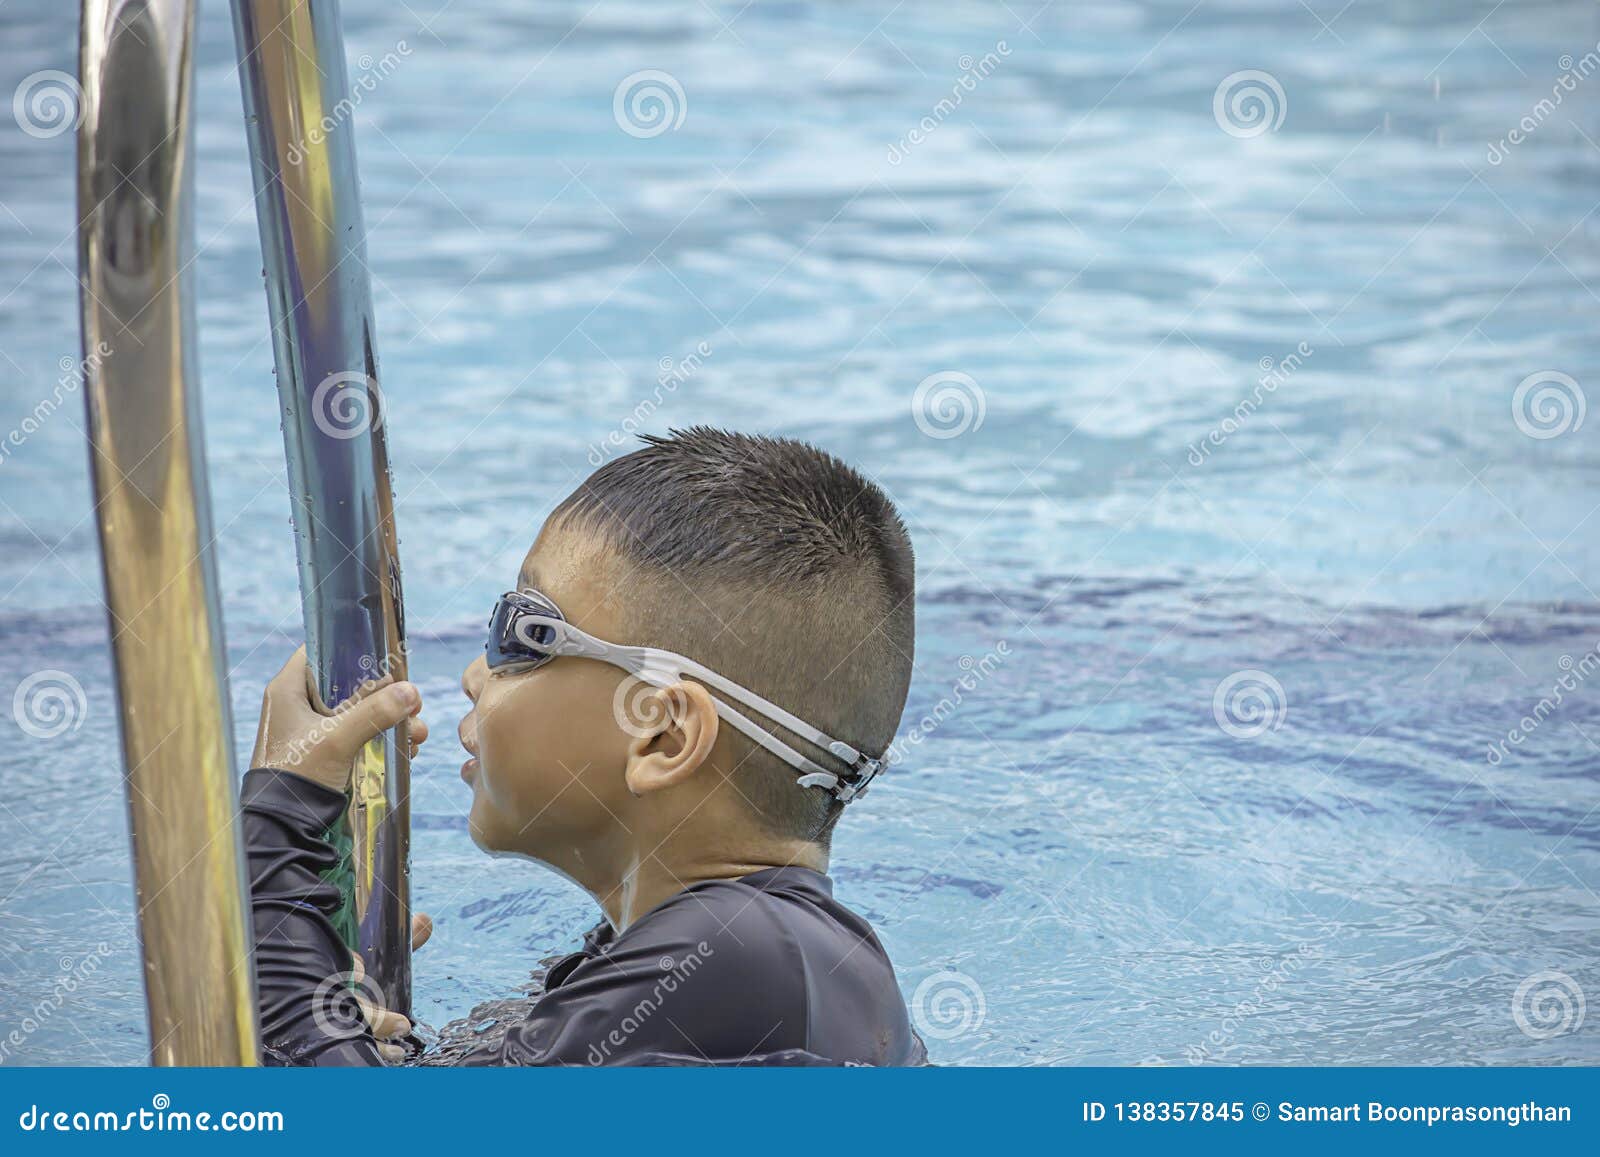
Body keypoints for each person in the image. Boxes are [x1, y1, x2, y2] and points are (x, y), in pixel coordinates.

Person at [242, 428, 925, 1065]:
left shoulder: (737, 957)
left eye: (523, 633)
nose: (476, 674)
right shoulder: (762, 959)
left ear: (663, 735)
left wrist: (277, 834)